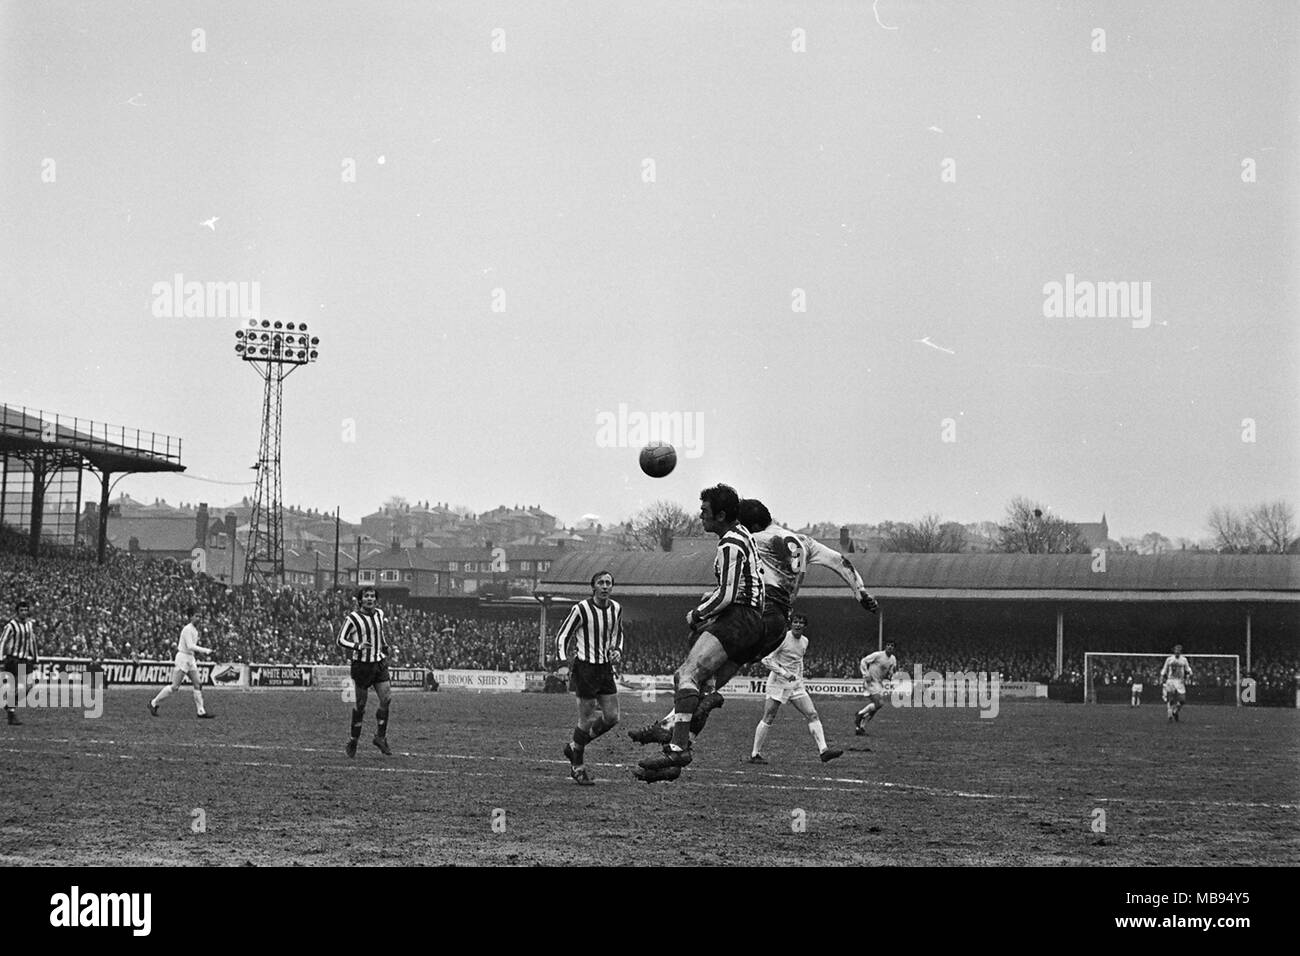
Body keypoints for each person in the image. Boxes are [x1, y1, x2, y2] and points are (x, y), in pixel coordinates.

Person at [630, 497, 877, 746]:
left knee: (697, 650)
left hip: (755, 613)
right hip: (778, 626)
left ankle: (681, 721)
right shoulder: (804, 542)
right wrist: (861, 592)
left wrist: (706, 605)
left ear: (752, 525)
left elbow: (737, 581)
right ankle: (673, 725)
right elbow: (841, 562)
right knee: (719, 672)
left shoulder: (752, 540)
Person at [636, 484, 765, 783]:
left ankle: (678, 748)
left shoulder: (731, 543)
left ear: (721, 515)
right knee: (697, 686)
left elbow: (729, 594)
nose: (700, 515)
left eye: (705, 511)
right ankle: (675, 753)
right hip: (750, 622)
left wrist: (698, 613)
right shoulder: (741, 535)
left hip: (740, 618)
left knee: (686, 675)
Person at [553, 570, 624, 785]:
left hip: (604, 669)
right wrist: (563, 664)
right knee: (586, 719)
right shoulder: (581, 609)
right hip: (585, 669)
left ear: (612, 587)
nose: (604, 586)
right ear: (593, 587)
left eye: (608, 583)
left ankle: (575, 746)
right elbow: (563, 635)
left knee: (612, 717)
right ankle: (578, 767)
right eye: (600, 583)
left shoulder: (617, 609)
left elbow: (618, 634)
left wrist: (617, 651)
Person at [748, 614, 843, 764]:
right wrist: (784, 673)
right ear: (790, 624)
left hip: (795, 685)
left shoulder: (805, 641)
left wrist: (800, 679)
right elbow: (766, 659)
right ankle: (755, 754)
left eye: (801, 623)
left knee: (812, 714)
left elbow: (799, 662)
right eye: (795, 622)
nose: (798, 625)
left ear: (805, 626)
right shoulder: (782, 639)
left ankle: (824, 750)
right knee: (769, 717)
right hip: (778, 682)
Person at [338, 586, 393, 756]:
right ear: (360, 600)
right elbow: (340, 639)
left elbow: (380, 632)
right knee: (361, 705)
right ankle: (353, 741)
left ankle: (380, 737)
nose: (369, 598)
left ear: (376, 599)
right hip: (362, 666)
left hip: (378, 663)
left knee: (387, 698)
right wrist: (358, 646)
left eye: (372, 596)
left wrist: (384, 645)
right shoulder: (353, 618)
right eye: (366, 596)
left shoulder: (379, 614)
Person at [148, 606, 216, 719]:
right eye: (196, 616)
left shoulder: (194, 630)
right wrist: (206, 650)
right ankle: (153, 703)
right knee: (174, 687)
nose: (199, 618)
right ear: (191, 617)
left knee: (198, 683)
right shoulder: (187, 629)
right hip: (183, 658)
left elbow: (192, 648)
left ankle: (201, 711)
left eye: (200, 616)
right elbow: (190, 646)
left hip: (190, 658)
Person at [1, 600, 38, 726]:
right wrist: (1, 659)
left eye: (26, 610)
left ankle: (9, 705)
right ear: (17, 611)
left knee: (29, 685)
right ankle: (11, 712)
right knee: (18, 686)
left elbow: (32, 642)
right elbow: (2, 642)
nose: (24, 612)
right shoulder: (11, 625)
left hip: (25, 659)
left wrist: (35, 659)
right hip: (13, 659)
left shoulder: (29, 625)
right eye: (21, 610)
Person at [855, 640, 898, 735]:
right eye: (888, 645)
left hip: (878, 683)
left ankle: (860, 728)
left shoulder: (893, 659)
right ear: (885, 646)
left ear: (894, 648)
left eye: (892, 645)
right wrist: (865, 674)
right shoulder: (878, 655)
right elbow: (863, 661)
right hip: (871, 682)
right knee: (879, 703)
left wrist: (891, 676)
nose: (890, 647)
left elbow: (890, 672)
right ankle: (860, 714)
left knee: (876, 707)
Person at [1160, 643, 1193, 722]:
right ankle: (1170, 714)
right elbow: (1164, 669)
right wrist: (1162, 676)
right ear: (1174, 651)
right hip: (1171, 680)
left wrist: (1190, 674)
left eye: (1179, 650)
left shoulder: (1184, 659)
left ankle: (1175, 711)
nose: (1177, 652)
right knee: (1170, 698)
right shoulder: (1169, 659)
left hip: (1180, 681)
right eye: (1176, 650)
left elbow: (1188, 669)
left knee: (1182, 700)